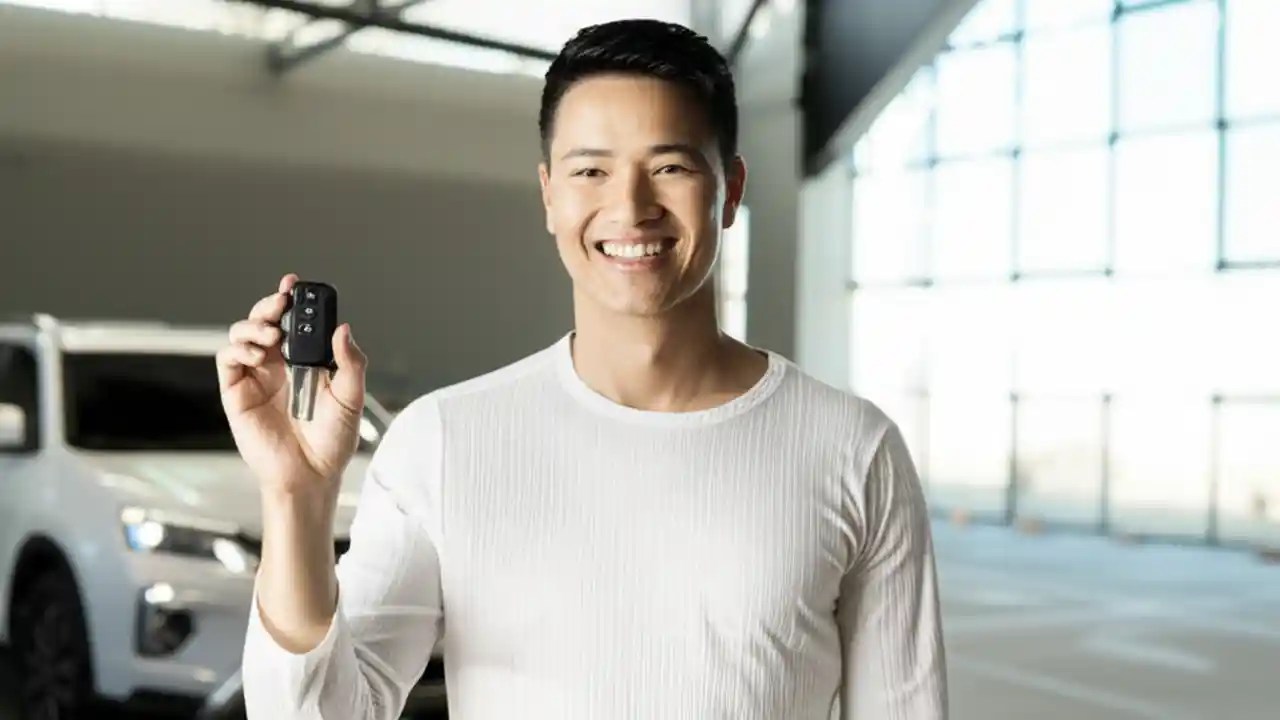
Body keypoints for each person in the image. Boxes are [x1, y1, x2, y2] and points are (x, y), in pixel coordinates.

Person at [218, 18, 946, 720]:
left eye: (669, 166)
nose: (629, 207)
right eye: (590, 170)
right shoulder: (443, 441)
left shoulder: (854, 450)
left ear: (731, 188)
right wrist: (296, 502)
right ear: (549, 195)